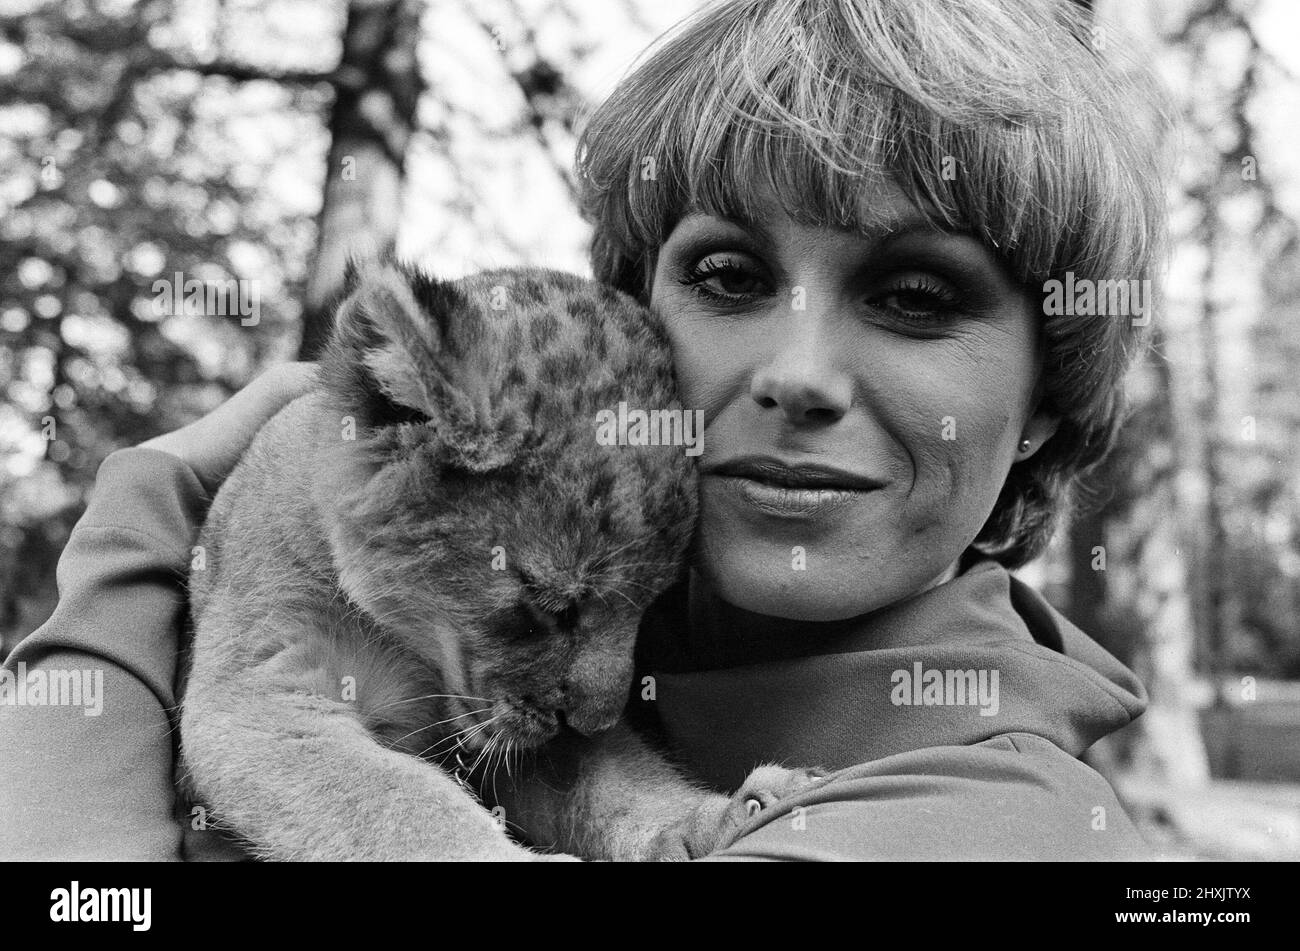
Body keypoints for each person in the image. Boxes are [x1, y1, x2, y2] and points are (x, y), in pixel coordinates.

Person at [0, 0, 1166, 860]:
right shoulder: (594, 524)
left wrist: (129, 551)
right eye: (726, 272)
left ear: (1045, 403)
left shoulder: (1008, 830)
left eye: (917, 296)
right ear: (632, 313)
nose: (797, 375)